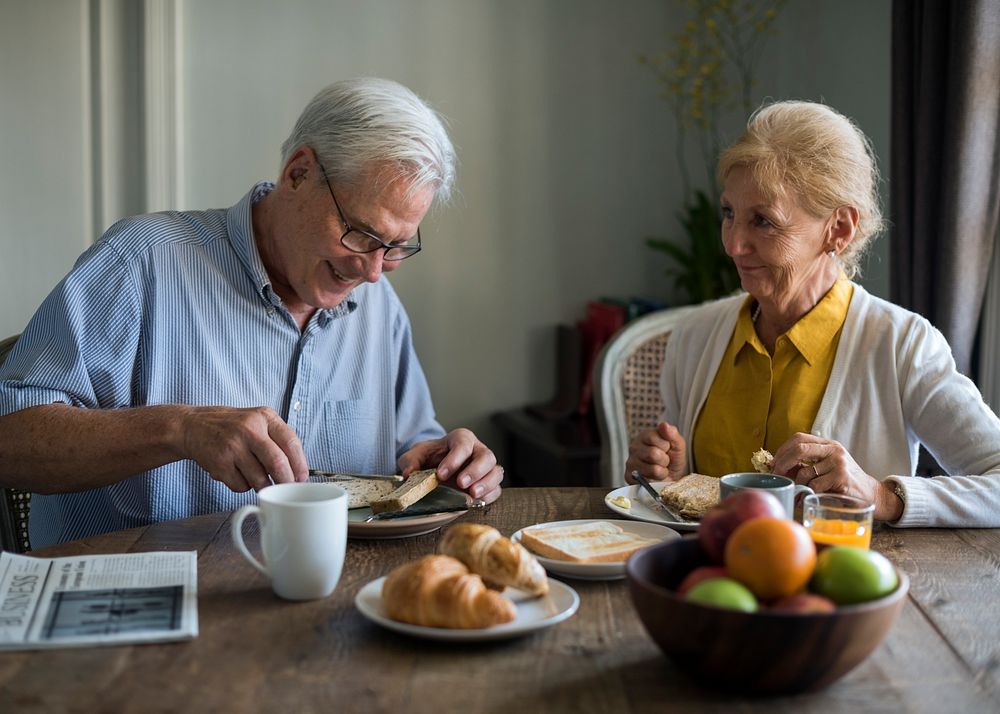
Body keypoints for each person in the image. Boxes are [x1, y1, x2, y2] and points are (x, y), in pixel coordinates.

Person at [0, 77, 503, 547]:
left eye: (396, 246)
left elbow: (411, 449)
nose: (372, 271)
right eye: (363, 234)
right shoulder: (141, 261)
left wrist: (447, 462)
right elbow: (11, 440)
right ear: (298, 173)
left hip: (322, 606)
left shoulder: (379, 305)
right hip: (136, 611)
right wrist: (180, 429)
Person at [626, 100, 1000, 528]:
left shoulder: (903, 345)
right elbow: (691, 502)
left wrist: (882, 496)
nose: (733, 245)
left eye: (763, 221)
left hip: (838, 589)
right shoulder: (694, 336)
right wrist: (669, 480)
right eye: (730, 213)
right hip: (705, 587)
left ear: (838, 230)